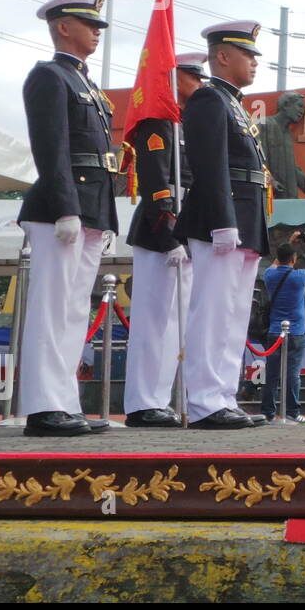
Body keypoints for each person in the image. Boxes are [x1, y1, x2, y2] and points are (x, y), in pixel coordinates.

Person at [16, 0, 117, 437]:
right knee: (52, 307)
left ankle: (64, 403)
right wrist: (65, 208)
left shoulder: (86, 84)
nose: (97, 32)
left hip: (90, 205)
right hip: (62, 206)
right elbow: (51, 148)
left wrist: (104, 216)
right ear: (63, 27)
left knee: (76, 309)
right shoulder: (49, 77)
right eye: (89, 24)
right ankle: (42, 407)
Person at [177, 21, 271, 429]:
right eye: (247, 54)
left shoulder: (233, 102)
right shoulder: (208, 100)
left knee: (233, 316)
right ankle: (203, 402)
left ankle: (223, 395)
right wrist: (222, 220)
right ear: (222, 56)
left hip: (246, 216)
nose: (253, 62)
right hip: (224, 217)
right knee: (213, 312)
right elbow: (210, 165)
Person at [122, 51, 206, 429]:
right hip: (160, 230)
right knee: (153, 319)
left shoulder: (186, 124)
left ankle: (160, 399)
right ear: (175, 81)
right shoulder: (158, 121)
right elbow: (156, 179)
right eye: (192, 76)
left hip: (185, 226)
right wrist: (170, 232)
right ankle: (143, 402)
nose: (199, 83)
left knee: (176, 321)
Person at [261, 229, 305, 423]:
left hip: (274, 332)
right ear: (294, 259)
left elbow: (278, 261)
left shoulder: (269, 275)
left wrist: (290, 243)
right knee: (293, 373)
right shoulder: (299, 277)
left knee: (271, 374)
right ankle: (292, 412)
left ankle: (268, 413)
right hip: (296, 331)